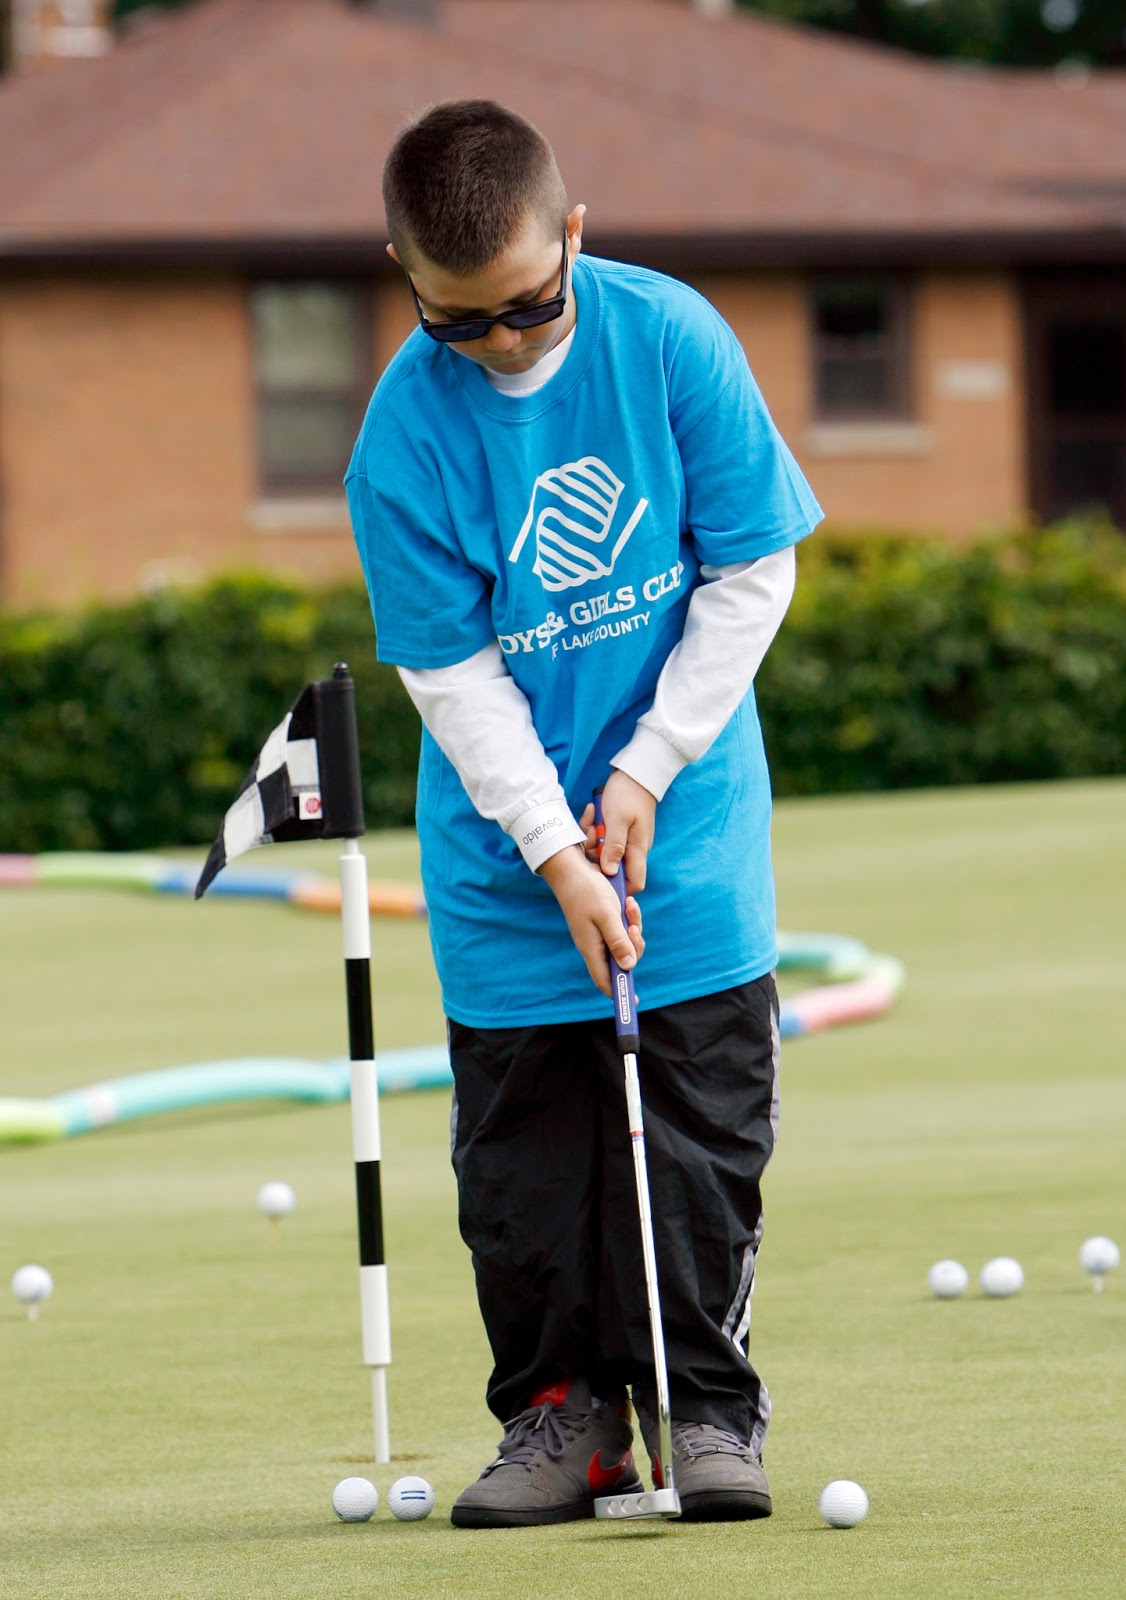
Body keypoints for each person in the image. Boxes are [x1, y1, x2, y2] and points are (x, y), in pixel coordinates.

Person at [345, 99, 822, 1529]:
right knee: (523, 1154)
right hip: (503, 866)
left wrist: (645, 766)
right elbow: (449, 669)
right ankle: (563, 1422)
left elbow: (748, 573)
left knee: (695, 1127)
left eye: (529, 307)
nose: (502, 342)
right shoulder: (401, 438)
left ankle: (704, 1407)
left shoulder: (668, 339)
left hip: (690, 826)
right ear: (404, 276)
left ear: (574, 234)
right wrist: (553, 843)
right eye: (459, 321)